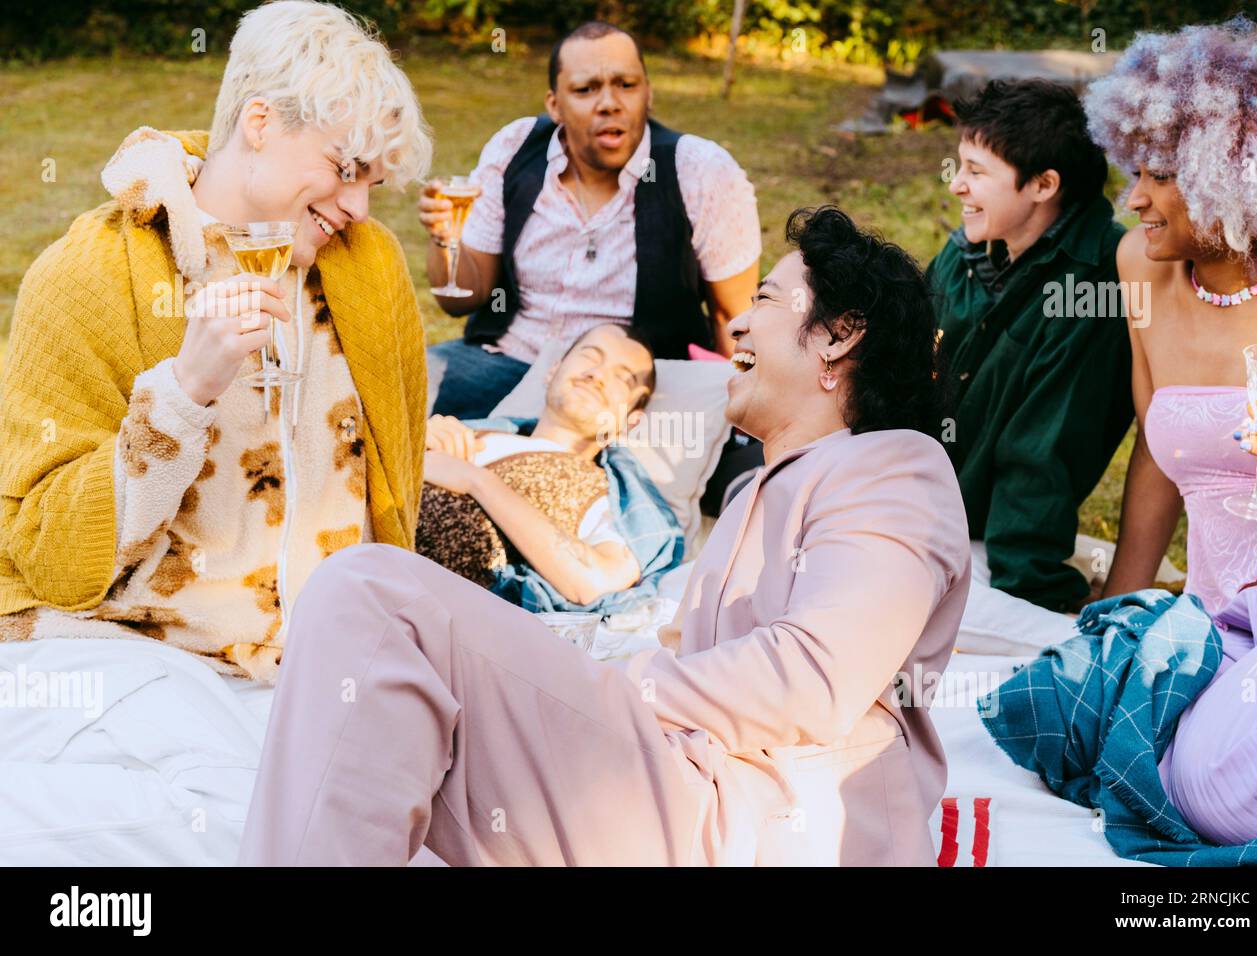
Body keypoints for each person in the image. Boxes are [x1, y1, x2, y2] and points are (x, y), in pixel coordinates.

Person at [236, 206, 970, 866]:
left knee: (375, 594)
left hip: (760, 820)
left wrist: (621, 685)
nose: (738, 325)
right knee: (391, 709)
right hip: (681, 790)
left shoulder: (897, 467)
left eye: (767, 302)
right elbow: (696, 672)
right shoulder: (754, 493)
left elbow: (813, 678)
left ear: (839, 336)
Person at [0, 1, 430, 863]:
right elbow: (48, 551)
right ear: (261, 123)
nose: (356, 205)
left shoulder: (370, 271)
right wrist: (182, 397)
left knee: (393, 825)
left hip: (298, 674)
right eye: (343, 169)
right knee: (250, 824)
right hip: (121, 647)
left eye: (372, 182)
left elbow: (396, 501)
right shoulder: (86, 277)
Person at [1020, 17, 1257, 849]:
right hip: (1214, 622)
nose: (1133, 198)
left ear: (1243, 178)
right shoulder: (1140, 267)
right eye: (1133, 169)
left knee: (1216, 794)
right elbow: (1157, 443)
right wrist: (1123, 601)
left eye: (1165, 176)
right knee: (1051, 711)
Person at [418, 19, 761, 420]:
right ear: (554, 104)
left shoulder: (700, 171)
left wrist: (738, 421)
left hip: (628, 388)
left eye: (626, 85)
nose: (609, 103)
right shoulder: (517, 148)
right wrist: (446, 238)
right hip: (506, 360)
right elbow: (462, 299)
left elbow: (733, 319)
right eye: (585, 89)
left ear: (648, 94)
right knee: (388, 395)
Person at [926, 79, 1133, 617]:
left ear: (1043, 185)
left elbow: (1046, 451)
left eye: (977, 172)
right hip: (908, 501)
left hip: (989, 547)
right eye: (960, 166)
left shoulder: (1093, 289)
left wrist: (1031, 595)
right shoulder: (965, 254)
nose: (957, 186)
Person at [416, 322, 682, 613]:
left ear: (630, 421)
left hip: (429, 600)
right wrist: (413, 447)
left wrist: (476, 481)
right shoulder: (465, 433)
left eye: (622, 377)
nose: (596, 375)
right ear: (552, 371)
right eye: (590, 357)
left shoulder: (606, 497)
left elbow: (593, 583)